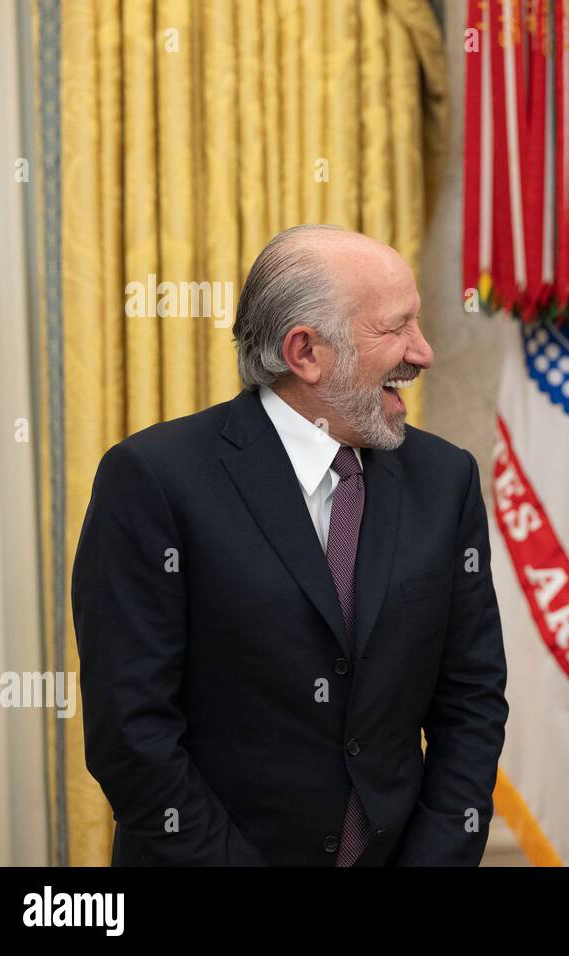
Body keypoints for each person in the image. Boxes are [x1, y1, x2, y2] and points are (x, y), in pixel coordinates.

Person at [73, 224, 508, 866]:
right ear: (305, 352)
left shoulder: (446, 480)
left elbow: (472, 699)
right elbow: (132, 734)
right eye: (397, 328)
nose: (423, 352)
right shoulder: (154, 480)